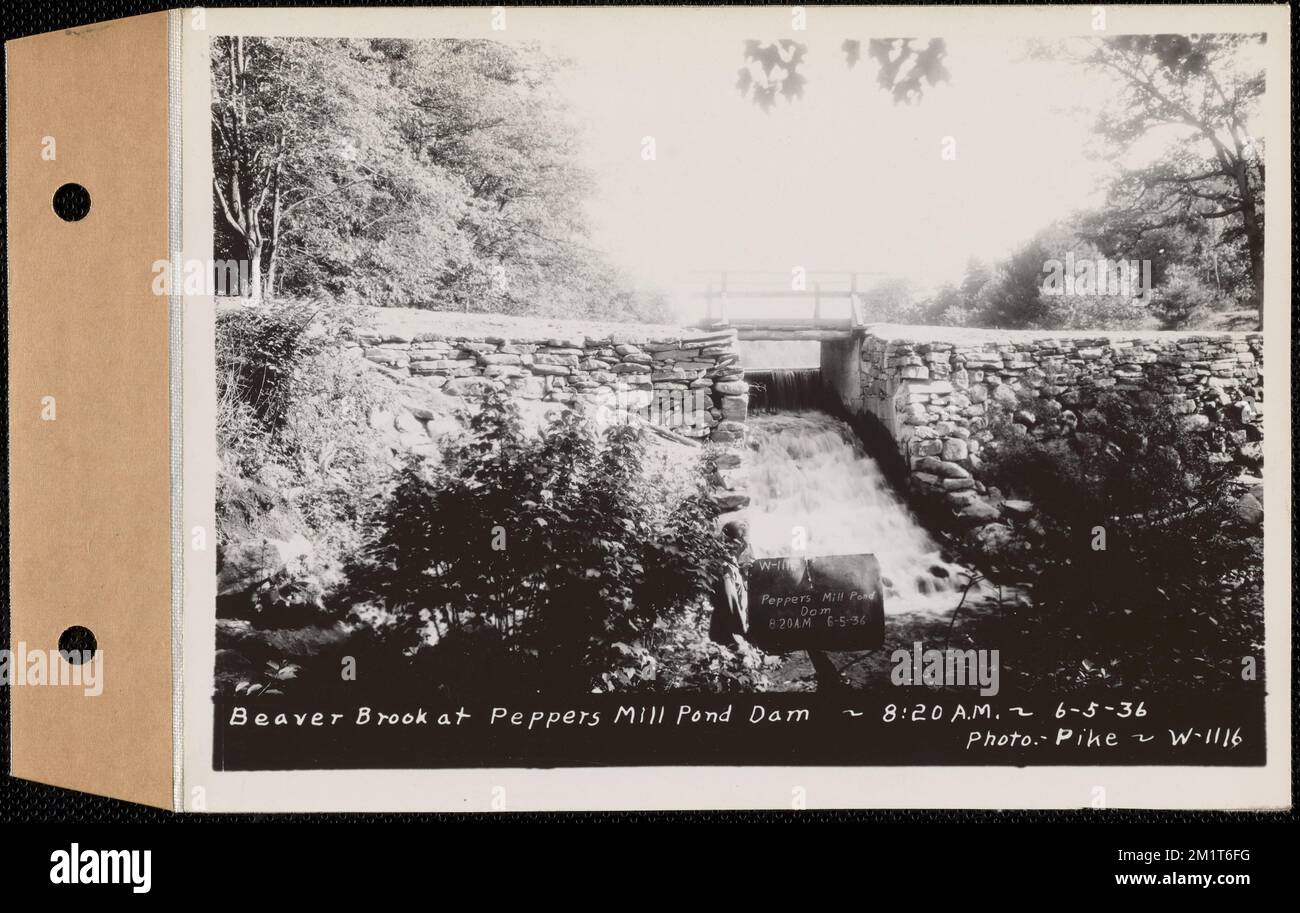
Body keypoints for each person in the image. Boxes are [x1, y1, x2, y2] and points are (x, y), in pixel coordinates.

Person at [709, 521, 845, 691]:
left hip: (734, 637)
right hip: (731, 640)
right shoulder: (726, 570)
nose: (748, 545)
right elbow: (731, 610)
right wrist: (748, 639)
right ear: (739, 543)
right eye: (747, 540)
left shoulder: (733, 567)